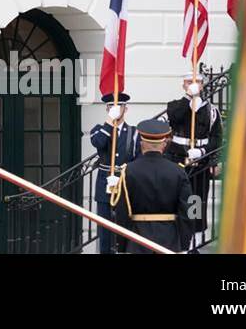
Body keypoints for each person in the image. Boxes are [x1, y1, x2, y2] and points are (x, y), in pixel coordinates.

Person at [110, 118, 194, 253]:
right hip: (170, 241)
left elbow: (122, 212)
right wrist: (184, 244)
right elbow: (190, 209)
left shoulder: (128, 171)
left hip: (137, 241)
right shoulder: (178, 171)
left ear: (142, 144)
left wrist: (121, 244)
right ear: (164, 144)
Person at [163, 74, 221, 248]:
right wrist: (189, 98)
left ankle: (193, 244)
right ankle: (177, 242)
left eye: (197, 82)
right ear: (183, 85)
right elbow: (175, 118)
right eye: (189, 82)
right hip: (178, 161)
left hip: (199, 165)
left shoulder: (211, 110)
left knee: (195, 203)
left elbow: (216, 138)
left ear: (203, 86)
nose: (193, 85)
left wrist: (203, 151)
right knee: (176, 201)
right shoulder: (175, 106)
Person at [88, 92, 139, 254]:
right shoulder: (99, 130)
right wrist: (110, 121)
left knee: (125, 226)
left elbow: (138, 159)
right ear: (107, 109)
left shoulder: (134, 132)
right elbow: (99, 142)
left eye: (119, 106)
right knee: (105, 229)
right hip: (105, 183)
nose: (115, 109)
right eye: (111, 106)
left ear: (126, 108)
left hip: (126, 183)